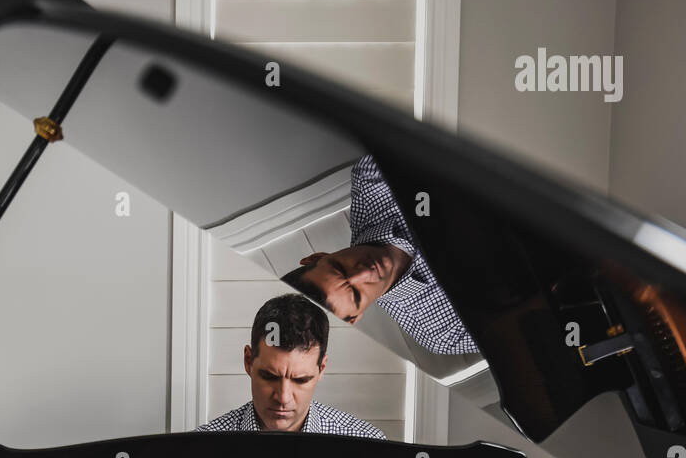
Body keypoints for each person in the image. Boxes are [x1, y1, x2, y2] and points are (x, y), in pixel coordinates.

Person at [282, 154, 477, 356]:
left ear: (317, 257)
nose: (365, 272)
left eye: (341, 269)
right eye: (356, 295)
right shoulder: (444, 334)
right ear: (354, 318)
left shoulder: (372, 180)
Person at [198, 293, 385, 437]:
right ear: (248, 361)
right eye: (270, 377)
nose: (283, 398)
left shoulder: (368, 444)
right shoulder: (201, 450)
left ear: (321, 369)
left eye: (301, 380)